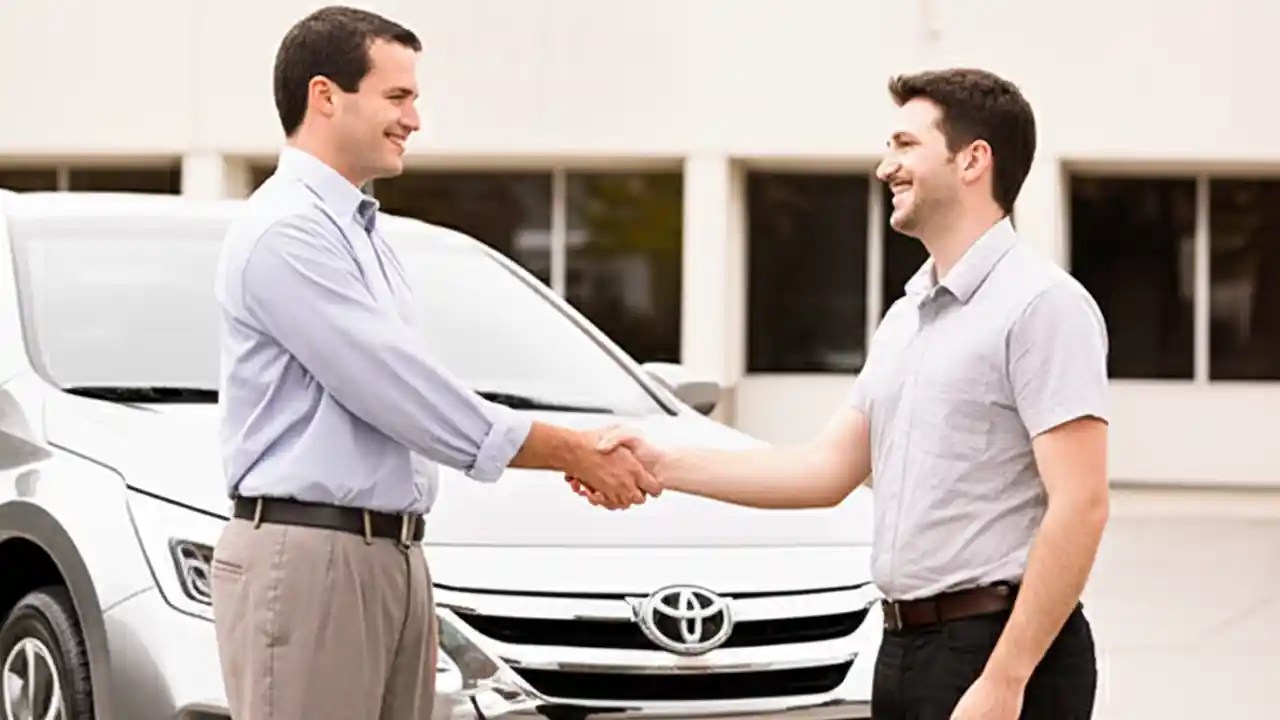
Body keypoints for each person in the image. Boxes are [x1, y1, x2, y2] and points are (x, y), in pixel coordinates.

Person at [575, 68, 1110, 719]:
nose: (886, 166)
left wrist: (1005, 680)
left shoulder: (1042, 306)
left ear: (973, 160)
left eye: (905, 145)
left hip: (999, 653)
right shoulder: (908, 316)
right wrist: (656, 461)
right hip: (904, 650)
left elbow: (1080, 503)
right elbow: (822, 471)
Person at [209, 6, 659, 720]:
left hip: (389, 556)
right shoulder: (286, 233)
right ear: (325, 96)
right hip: (315, 557)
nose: (414, 120)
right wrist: (570, 449)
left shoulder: (364, 234)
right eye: (398, 97)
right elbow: (401, 391)